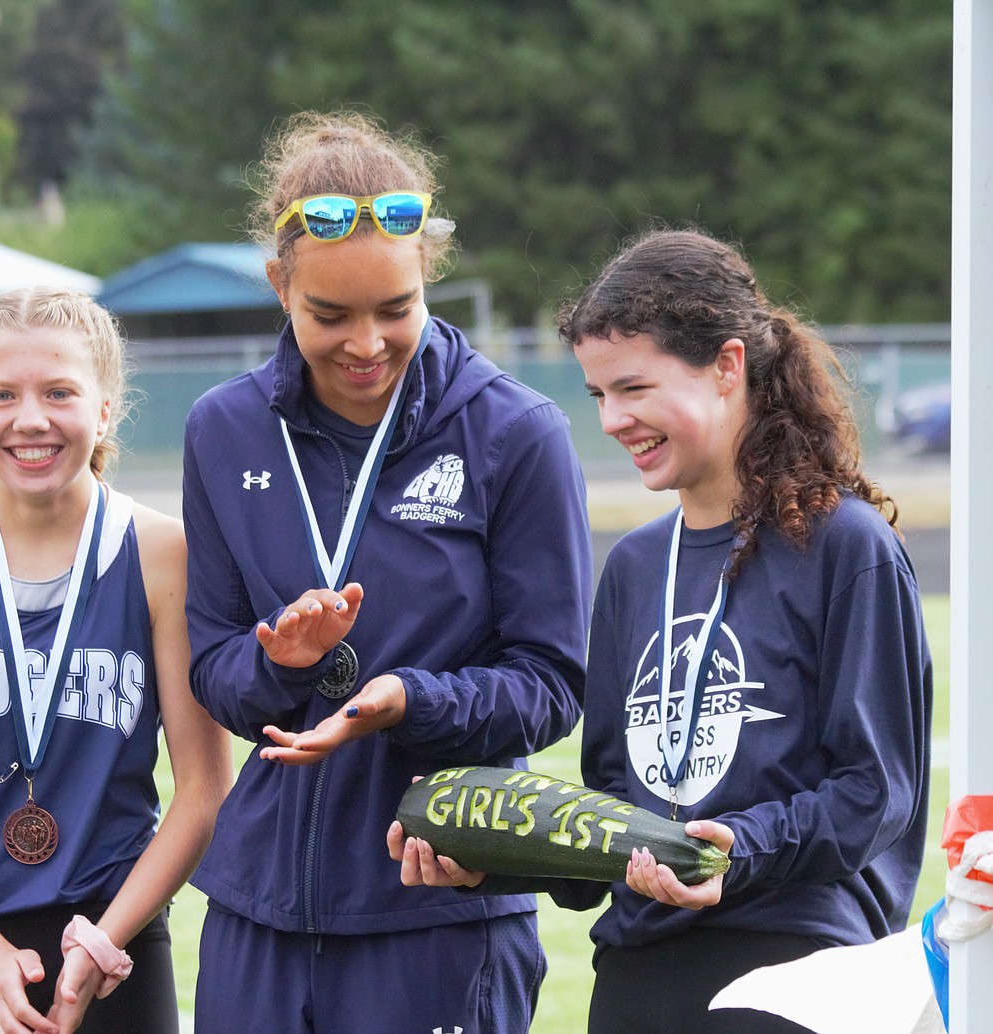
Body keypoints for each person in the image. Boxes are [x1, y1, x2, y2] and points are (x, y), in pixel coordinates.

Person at [391, 227, 933, 1033]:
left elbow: (876, 791)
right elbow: (616, 814)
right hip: (638, 972)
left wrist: (733, 851)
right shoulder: (637, 567)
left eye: (634, 388)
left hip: (793, 967)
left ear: (727, 365)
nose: (612, 419)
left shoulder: (846, 547)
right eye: (598, 394)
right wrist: (490, 864)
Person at [181, 109, 593, 1034]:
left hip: (437, 900)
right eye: (330, 314)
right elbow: (213, 666)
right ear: (279, 285)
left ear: (427, 279)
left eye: (396, 310)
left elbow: (554, 682)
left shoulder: (515, 432)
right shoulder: (223, 428)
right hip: (259, 911)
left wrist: (412, 699)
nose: (366, 344)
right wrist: (281, 663)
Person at [0, 286, 234, 1034]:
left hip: (114, 945)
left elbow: (203, 791)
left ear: (104, 409)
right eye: (1, 394)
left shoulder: (162, 553)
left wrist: (106, 937)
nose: (31, 419)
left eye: (60, 391)